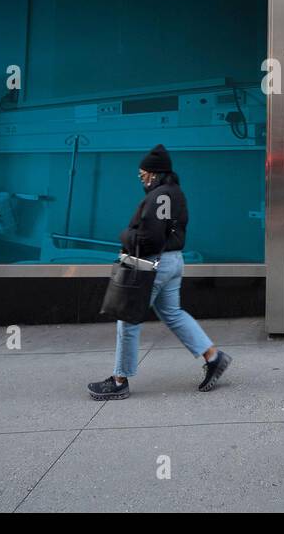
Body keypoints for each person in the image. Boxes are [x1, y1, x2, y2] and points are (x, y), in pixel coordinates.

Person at [88, 144, 231, 400]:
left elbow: (151, 237)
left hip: (154, 265)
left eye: (142, 174)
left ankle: (120, 380)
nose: (141, 178)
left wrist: (125, 234)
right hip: (174, 261)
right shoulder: (174, 192)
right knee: (172, 313)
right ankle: (213, 356)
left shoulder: (158, 195)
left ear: (154, 173)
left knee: (128, 318)